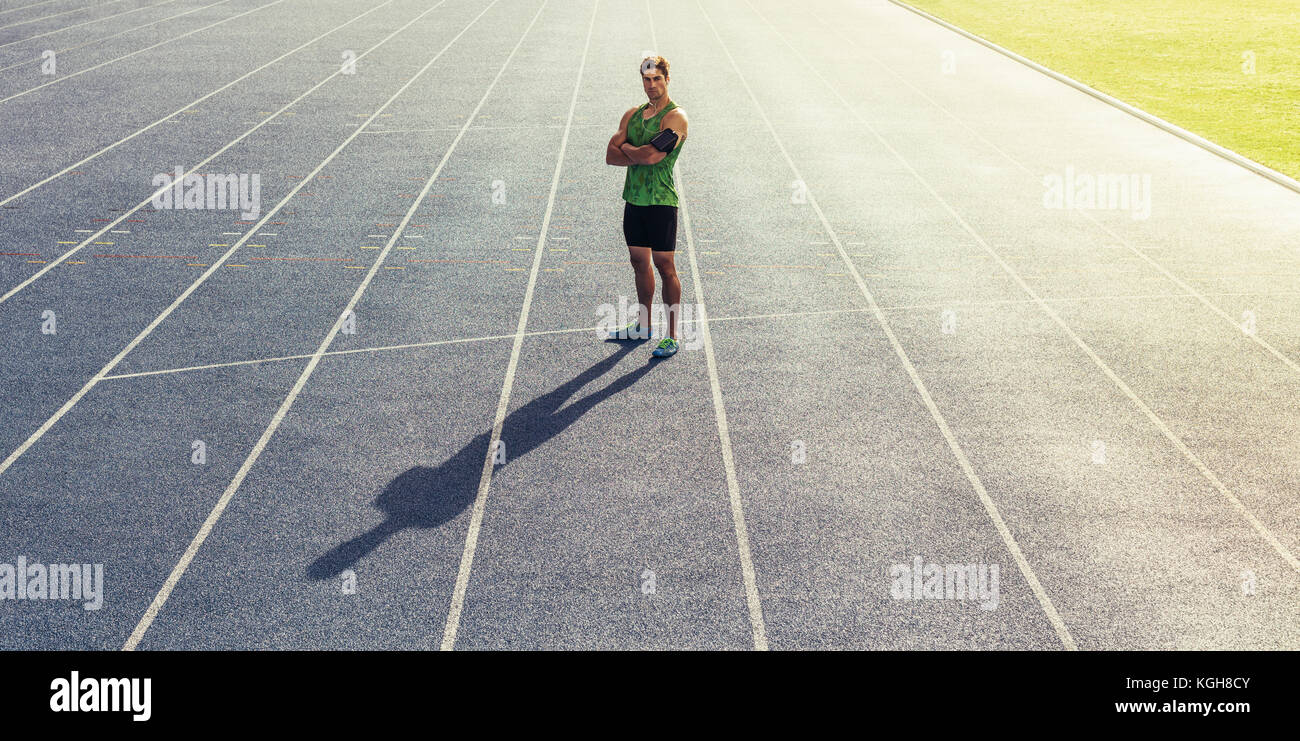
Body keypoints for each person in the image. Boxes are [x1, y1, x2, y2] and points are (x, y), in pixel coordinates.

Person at [605, 55, 689, 357]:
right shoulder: (631, 115)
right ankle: (643, 325)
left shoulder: (676, 118)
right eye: (646, 79)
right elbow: (609, 156)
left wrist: (626, 148)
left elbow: (653, 157)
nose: (651, 85)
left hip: (661, 203)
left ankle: (672, 335)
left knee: (665, 267)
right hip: (634, 201)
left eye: (657, 79)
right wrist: (635, 151)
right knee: (639, 263)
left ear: (667, 80)